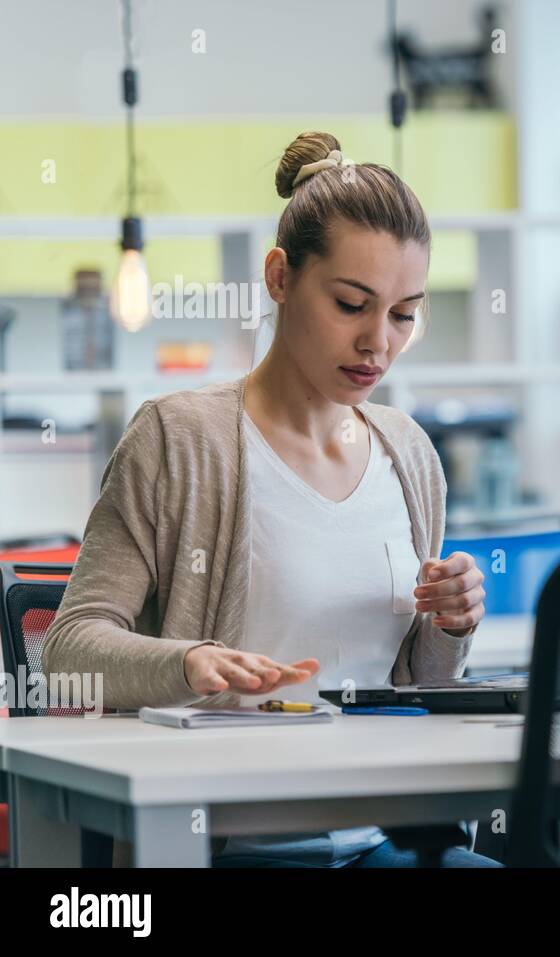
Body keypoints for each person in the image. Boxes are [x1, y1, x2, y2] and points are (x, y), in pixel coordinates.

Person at [43, 131, 496, 867]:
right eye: (352, 303)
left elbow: (427, 689)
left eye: (404, 314)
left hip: (386, 838)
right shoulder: (178, 438)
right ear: (280, 277)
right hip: (233, 845)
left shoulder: (409, 452)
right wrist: (186, 661)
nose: (378, 342)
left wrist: (450, 624)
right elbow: (67, 652)